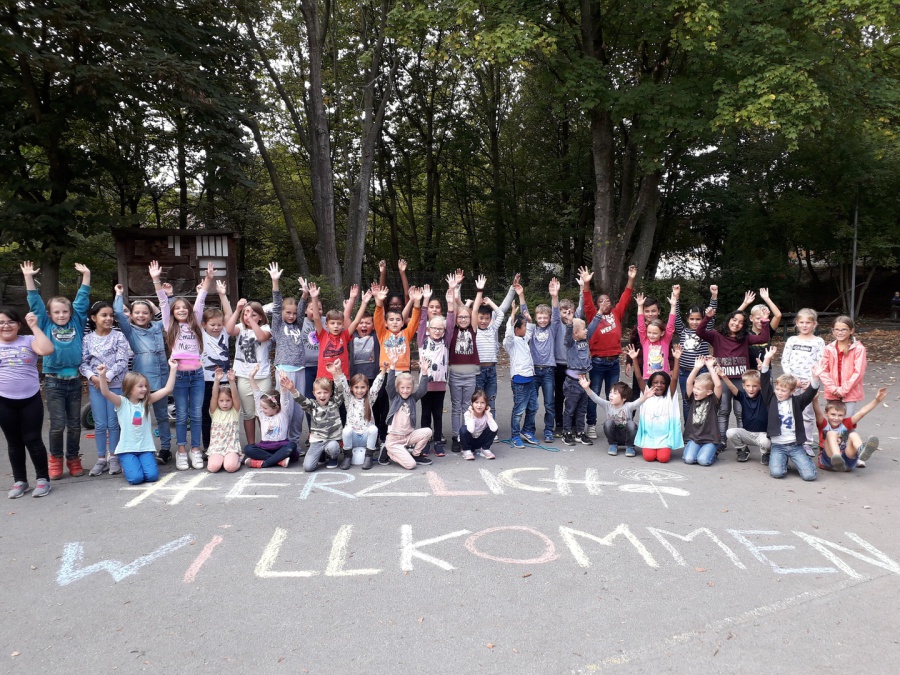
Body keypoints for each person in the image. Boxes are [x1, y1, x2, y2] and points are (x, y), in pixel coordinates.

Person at [22, 260, 91, 480]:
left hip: (74, 381)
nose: (61, 315)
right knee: (57, 425)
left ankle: (73, 458)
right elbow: (35, 303)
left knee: (74, 425)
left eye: (64, 311)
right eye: (57, 312)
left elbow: (82, 301)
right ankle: (55, 459)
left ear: (70, 313)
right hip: (53, 382)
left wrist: (86, 275)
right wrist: (29, 278)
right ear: (50, 315)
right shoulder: (45, 324)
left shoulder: (77, 322)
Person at [152, 260, 215, 470]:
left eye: (184, 308)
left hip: (196, 374)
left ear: (189, 311)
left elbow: (201, 301)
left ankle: (195, 449)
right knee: (181, 416)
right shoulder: (170, 325)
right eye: (176, 308)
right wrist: (156, 280)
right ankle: (181, 450)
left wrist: (208, 279)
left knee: (196, 414)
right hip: (178, 375)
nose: (181, 310)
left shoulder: (195, 322)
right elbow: (163, 302)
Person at [696, 303, 770, 453]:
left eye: (741, 322)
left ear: (744, 326)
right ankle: (722, 440)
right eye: (734, 320)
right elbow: (700, 331)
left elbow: (764, 336)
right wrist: (707, 317)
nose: (736, 323)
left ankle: (744, 439)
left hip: (741, 380)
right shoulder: (717, 335)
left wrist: (764, 320)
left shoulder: (745, 338)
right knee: (723, 410)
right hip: (722, 379)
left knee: (741, 410)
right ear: (729, 320)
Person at [114, 282, 172, 465]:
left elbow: (167, 316)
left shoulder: (156, 327)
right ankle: (138, 448)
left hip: (162, 375)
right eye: (137, 312)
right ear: (131, 315)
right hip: (141, 380)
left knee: (162, 415)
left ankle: (165, 449)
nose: (141, 315)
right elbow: (118, 314)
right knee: (139, 417)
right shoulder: (130, 330)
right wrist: (119, 295)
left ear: (150, 314)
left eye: (145, 312)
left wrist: (166, 297)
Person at [94, 359, 178, 485]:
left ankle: (134, 465)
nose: (144, 389)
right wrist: (102, 376)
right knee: (136, 479)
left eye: (145, 386)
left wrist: (173, 368)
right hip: (127, 449)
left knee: (151, 476)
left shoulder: (146, 401)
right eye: (140, 386)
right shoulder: (121, 402)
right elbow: (105, 392)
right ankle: (126, 465)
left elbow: (168, 388)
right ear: (129, 388)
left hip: (145, 448)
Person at [1, 309, 54, 498]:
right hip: (4, 401)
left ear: (18, 324)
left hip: (30, 399)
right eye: (1, 322)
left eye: (10, 322)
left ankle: (42, 480)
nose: (6, 326)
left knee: (33, 439)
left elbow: (47, 350)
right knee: (14, 442)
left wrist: (35, 327)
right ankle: (20, 481)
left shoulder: (28, 340)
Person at [581, 265, 637, 438]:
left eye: (607, 301)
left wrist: (631, 278)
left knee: (613, 395)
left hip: (613, 362)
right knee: (595, 393)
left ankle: (616, 424)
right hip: (597, 362)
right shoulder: (593, 316)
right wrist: (586, 284)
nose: (605, 303)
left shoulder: (616, 314)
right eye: (601, 301)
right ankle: (591, 424)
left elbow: (626, 297)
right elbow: (587, 300)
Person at [80, 301, 133, 476]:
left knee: (114, 423)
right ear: (94, 318)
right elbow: (83, 363)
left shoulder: (118, 337)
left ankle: (114, 457)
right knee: (100, 423)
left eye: (111, 315)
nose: (109, 318)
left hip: (116, 385)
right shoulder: (87, 339)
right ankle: (101, 457)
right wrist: (94, 377)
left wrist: (106, 377)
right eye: (104, 315)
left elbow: (122, 361)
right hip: (95, 386)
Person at [758, 347, 819, 481]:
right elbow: (764, 382)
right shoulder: (771, 399)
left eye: (784, 390)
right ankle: (783, 461)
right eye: (778, 389)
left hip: (795, 445)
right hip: (778, 446)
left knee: (810, 476)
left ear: (792, 391)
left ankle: (803, 461)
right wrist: (767, 359)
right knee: (777, 473)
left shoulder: (797, 401)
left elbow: (810, 393)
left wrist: (815, 378)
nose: (779, 392)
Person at [225, 297, 273, 448]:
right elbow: (229, 330)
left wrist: (251, 318)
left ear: (260, 316)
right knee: (249, 413)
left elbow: (261, 337)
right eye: (246, 315)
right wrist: (239, 310)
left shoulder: (266, 328)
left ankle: (266, 441)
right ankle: (251, 444)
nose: (249, 318)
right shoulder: (240, 328)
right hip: (244, 376)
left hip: (262, 377)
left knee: (264, 411)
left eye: (253, 315)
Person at [268, 262, 307, 447]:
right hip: (284, 370)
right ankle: (283, 440)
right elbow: (276, 306)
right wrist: (275, 282)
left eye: (293, 313)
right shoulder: (277, 327)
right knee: (286, 407)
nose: (291, 316)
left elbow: (301, 309)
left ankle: (294, 441)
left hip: (300, 370)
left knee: (299, 408)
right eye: (288, 313)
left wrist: (305, 294)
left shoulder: (298, 325)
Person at [812, 373, 885, 472]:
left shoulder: (846, 423)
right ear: (826, 414)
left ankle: (861, 451)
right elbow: (817, 413)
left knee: (853, 434)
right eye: (833, 414)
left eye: (840, 415)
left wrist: (877, 400)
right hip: (828, 461)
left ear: (844, 415)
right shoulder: (824, 424)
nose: (836, 418)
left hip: (846, 463)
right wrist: (814, 400)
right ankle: (836, 457)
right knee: (831, 433)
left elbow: (862, 412)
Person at [780, 308, 826, 457]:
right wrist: (793, 380)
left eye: (808, 322)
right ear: (796, 323)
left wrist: (812, 381)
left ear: (814, 324)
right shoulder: (792, 340)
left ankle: (806, 443)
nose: (805, 325)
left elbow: (821, 362)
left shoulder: (818, 341)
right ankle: (790, 440)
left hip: (809, 384)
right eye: (802, 322)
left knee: (807, 414)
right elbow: (785, 361)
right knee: (789, 411)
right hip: (792, 383)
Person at [287, 359, 346, 472]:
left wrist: (334, 374)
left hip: (332, 440)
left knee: (333, 447)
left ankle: (333, 458)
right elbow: (301, 400)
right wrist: (292, 389)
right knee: (308, 467)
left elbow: (340, 390)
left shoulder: (335, 402)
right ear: (314, 393)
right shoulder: (312, 405)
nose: (322, 395)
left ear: (330, 393)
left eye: (325, 392)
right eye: (319, 393)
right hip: (317, 441)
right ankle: (321, 454)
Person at [447, 272, 483, 452]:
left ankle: (466, 434)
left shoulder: (473, 329)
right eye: (460, 317)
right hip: (455, 374)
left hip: (470, 374)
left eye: (466, 317)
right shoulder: (452, 329)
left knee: (467, 406)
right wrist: (453, 288)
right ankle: (456, 436)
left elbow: (475, 310)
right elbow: (452, 309)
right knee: (455, 407)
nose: (463, 319)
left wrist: (479, 291)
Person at [673, 283, 718, 421]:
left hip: (702, 372)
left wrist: (714, 296)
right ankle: (689, 431)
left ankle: (703, 428)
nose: (695, 322)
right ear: (687, 319)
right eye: (692, 319)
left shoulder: (704, 330)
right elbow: (675, 316)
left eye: (698, 319)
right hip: (684, 372)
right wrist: (676, 296)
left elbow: (711, 314)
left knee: (703, 401)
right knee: (687, 401)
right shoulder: (682, 330)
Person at [631, 344, 684, 463]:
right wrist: (634, 358)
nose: (659, 385)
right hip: (649, 437)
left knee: (663, 459)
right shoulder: (647, 393)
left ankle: (663, 449)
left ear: (666, 385)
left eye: (662, 383)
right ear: (651, 384)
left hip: (664, 438)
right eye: (655, 382)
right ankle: (650, 448)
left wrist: (677, 358)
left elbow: (674, 379)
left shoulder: (669, 396)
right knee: (649, 458)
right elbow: (639, 377)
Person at [417, 284, 453, 456]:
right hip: (425, 384)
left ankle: (438, 442)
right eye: (434, 328)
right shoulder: (422, 340)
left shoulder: (446, 341)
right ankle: (424, 442)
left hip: (439, 385)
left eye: (440, 328)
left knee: (438, 415)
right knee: (425, 414)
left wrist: (450, 302)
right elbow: (422, 320)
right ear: (429, 329)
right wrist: (425, 300)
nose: (437, 331)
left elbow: (451, 323)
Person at [475, 274, 517, 421]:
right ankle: (479, 427)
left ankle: (491, 429)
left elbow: (500, 312)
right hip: (478, 371)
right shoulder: (473, 329)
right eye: (481, 318)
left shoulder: (492, 328)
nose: (484, 321)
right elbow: (467, 311)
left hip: (491, 369)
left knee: (491, 400)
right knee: (478, 401)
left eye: (487, 318)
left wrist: (490, 302)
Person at [242, 365, 299, 469]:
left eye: (265, 408)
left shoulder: (283, 414)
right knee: (248, 449)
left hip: (281, 446)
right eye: (262, 408)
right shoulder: (262, 415)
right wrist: (251, 378)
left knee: (292, 446)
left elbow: (284, 398)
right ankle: (279, 461)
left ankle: (263, 463)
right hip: (265, 447)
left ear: (276, 407)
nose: (262, 410)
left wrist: (283, 386)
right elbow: (256, 395)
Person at [308, 283, 369, 380]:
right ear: (326, 324)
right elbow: (316, 318)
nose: (336, 326)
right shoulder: (322, 335)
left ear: (342, 325)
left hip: (342, 377)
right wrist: (314, 298)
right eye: (332, 323)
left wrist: (364, 303)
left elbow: (356, 321)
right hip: (324, 378)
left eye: (339, 323)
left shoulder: (345, 335)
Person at [383, 353, 433, 469]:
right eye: (402, 388)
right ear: (398, 388)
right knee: (411, 465)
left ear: (412, 388)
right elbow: (389, 385)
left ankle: (416, 454)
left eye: (408, 388)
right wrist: (392, 366)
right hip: (394, 439)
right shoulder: (394, 397)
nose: (405, 391)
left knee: (428, 432)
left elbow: (422, 390)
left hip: (408, 436)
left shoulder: (412, 398)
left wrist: (424, 372)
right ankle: (389, 452)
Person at [200, 281, 233, 452]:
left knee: (226, 412)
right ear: (204, 325)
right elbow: (196, 314)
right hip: (206, 380)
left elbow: (229, 314)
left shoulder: (225, 333)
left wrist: (222, 294)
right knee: (207, 414)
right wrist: (202, 293)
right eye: (212, 325)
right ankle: (208, 446)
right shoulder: (201, 334)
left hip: (225, 380)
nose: (216, 327)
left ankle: (227, 444)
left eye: (219, 324)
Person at [578, 377, 649, 457]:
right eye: (610, 392)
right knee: (608, 423)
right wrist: (587, 388)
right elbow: (596, 398)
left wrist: (646, 396)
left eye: (615, 393)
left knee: (631, 424)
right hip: (615, 434)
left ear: (624, 398)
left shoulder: (628, 406)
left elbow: (638, 402)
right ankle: (613, 444)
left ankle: (630, 446)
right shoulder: (607, 405)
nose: (611, 395)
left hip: (627, 434)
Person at [528, 278, 561, 443]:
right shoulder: (531, 329)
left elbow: (556, 315)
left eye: (545, 317)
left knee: (549, 403)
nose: (542, 320)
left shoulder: (553, 328)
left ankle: (548, 430)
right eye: (539, 317)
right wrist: (520, 295)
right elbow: (524, 314)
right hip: (534, 370)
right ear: (535, 318)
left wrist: (554, 296)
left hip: (548, 370)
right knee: (532, 403)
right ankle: (530, 429)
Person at [562, 313, 602, 446]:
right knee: (570, 408)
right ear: (575, 332)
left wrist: (599, 313)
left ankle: (580, 432)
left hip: (584, 382)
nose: (586, 331)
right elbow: (568, 336)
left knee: (582, 409)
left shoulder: (585, 340)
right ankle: (566, 432)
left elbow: (592, 327)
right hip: (572, 383)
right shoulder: (570, 344)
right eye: (583, 329)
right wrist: (569, 324)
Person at [503, 298, 537, 448]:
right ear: (516, 329)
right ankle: (515, 435)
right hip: (519, 381)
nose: (525, 328)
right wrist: (512, 315)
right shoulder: (511, 343)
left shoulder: (523, 339)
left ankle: (527, 431)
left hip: (530, 379)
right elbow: (508, 335)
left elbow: (531, 330)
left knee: (533, 407)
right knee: (519, 410)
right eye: (523, 326)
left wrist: (528, 320)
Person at [817, 316, 867, 417]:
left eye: (844, 329)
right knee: (833, 423)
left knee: (846, 424)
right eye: (837, 329)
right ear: (833, 330)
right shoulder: (829, 348)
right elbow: (823, 370)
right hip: (832, 393)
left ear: (851, 330)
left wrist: (843, 390)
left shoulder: (858, 349)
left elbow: (858, 372)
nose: (840, 332)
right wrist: (833, 388)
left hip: (850, 393)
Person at [682, 356, 723, 466]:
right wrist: (696, 368)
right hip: (695, 439)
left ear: (709, 392)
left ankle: (713, 452)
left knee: (703, 461)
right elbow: (688, 383)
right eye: (695, 387)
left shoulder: (713, 401)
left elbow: (718, 385)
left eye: (699, 389)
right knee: (689, 459)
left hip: (710, 440)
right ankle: (698, 450)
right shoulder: (692, 399)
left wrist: (710, 367)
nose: (695, 390)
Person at [342, 366, 387, 470]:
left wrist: (383, 371)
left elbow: (376, 385)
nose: (359, 390)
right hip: (353, 438)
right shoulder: (349, 399)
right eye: (356, 387)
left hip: (365, 438)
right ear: (351, 388)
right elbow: (343, 385)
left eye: (362, 387)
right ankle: (347, 456)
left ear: (367, 387)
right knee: (346, 431)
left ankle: (369, 456)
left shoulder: (370, 398)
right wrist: (339, 372)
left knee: (374, 429)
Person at [722, 368, 770, 464]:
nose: (751, 389)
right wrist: (723, 376)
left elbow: (767, 384)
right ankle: (743, 450)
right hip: (747, 433)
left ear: (760, 386)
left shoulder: (764, 396)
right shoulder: (742, 396)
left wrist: (765, 369)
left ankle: (766, 454)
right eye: (748, 386)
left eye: (754, 386)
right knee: (730, 432)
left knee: (766, 442)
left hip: (762, 434)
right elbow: (732, 387)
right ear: (743, 386)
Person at [373, 282, 422, 373]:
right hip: (386, 370)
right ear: (386, 323)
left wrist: (417, 303)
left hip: (403, 370)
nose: (395, 322)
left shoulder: (406, 333)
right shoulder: (383, 333)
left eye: (398, 320)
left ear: (402, 323)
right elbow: (377, 319)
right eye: (391, 320)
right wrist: (379, 303)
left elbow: (415, 321)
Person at [206, 368, 243, 473]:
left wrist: (232, 381)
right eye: (221, 401)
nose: (225, 404)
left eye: (228, 400)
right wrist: (217, 380)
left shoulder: (234, 412)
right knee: (213, 467)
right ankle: (219, 459)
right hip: (216, 448)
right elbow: (214, 396)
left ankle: (238, 458)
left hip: (231, 447)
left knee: (230, 467)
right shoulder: (215, 412)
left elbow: (235, 396)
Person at [635, 290, 677, 379]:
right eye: (649, 332)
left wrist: (673, 306)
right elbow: (641, 326)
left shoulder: (665, 341)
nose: (651, 335)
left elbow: (670, 326)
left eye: (654, 333)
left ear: (662, 333)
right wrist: (640, 306)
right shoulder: (645, 340)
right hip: (647, 377)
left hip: (663, 377)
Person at [738, 289, 782, 366]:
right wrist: (745, 303)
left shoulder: (768, 330)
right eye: (758, 318)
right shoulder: (745, 331)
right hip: (749, 371)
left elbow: (778, 315)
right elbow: (734, 318)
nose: (760, 321)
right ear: (751, 318)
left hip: (766, 370)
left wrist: (767, 299)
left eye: (763, 318)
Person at [553, 297, 576, 436]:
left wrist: (581, 289)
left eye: (569, 311)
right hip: (558, 365)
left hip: (573, 366)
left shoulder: (575, 323)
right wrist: (554, 296)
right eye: (563, 311)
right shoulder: (556, 324)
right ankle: (559, 424)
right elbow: (554, 310)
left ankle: (572, 423)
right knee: (559, 396)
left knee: (573, 396)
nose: (566, 313)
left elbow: (582, 306)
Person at [460, 390, 498, 460]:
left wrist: (488, 414)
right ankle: (466, 450)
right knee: (463, 429)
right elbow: (470, 430)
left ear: (486, 404)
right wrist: (472, 414)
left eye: (482, 403)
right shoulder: (468, 414)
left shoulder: (488, 415)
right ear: (471, 404)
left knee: (493, 426)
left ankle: (485, 449)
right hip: (470, 440)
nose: (479, 405)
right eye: (476, 402)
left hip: (480, 440)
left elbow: (494, 429)